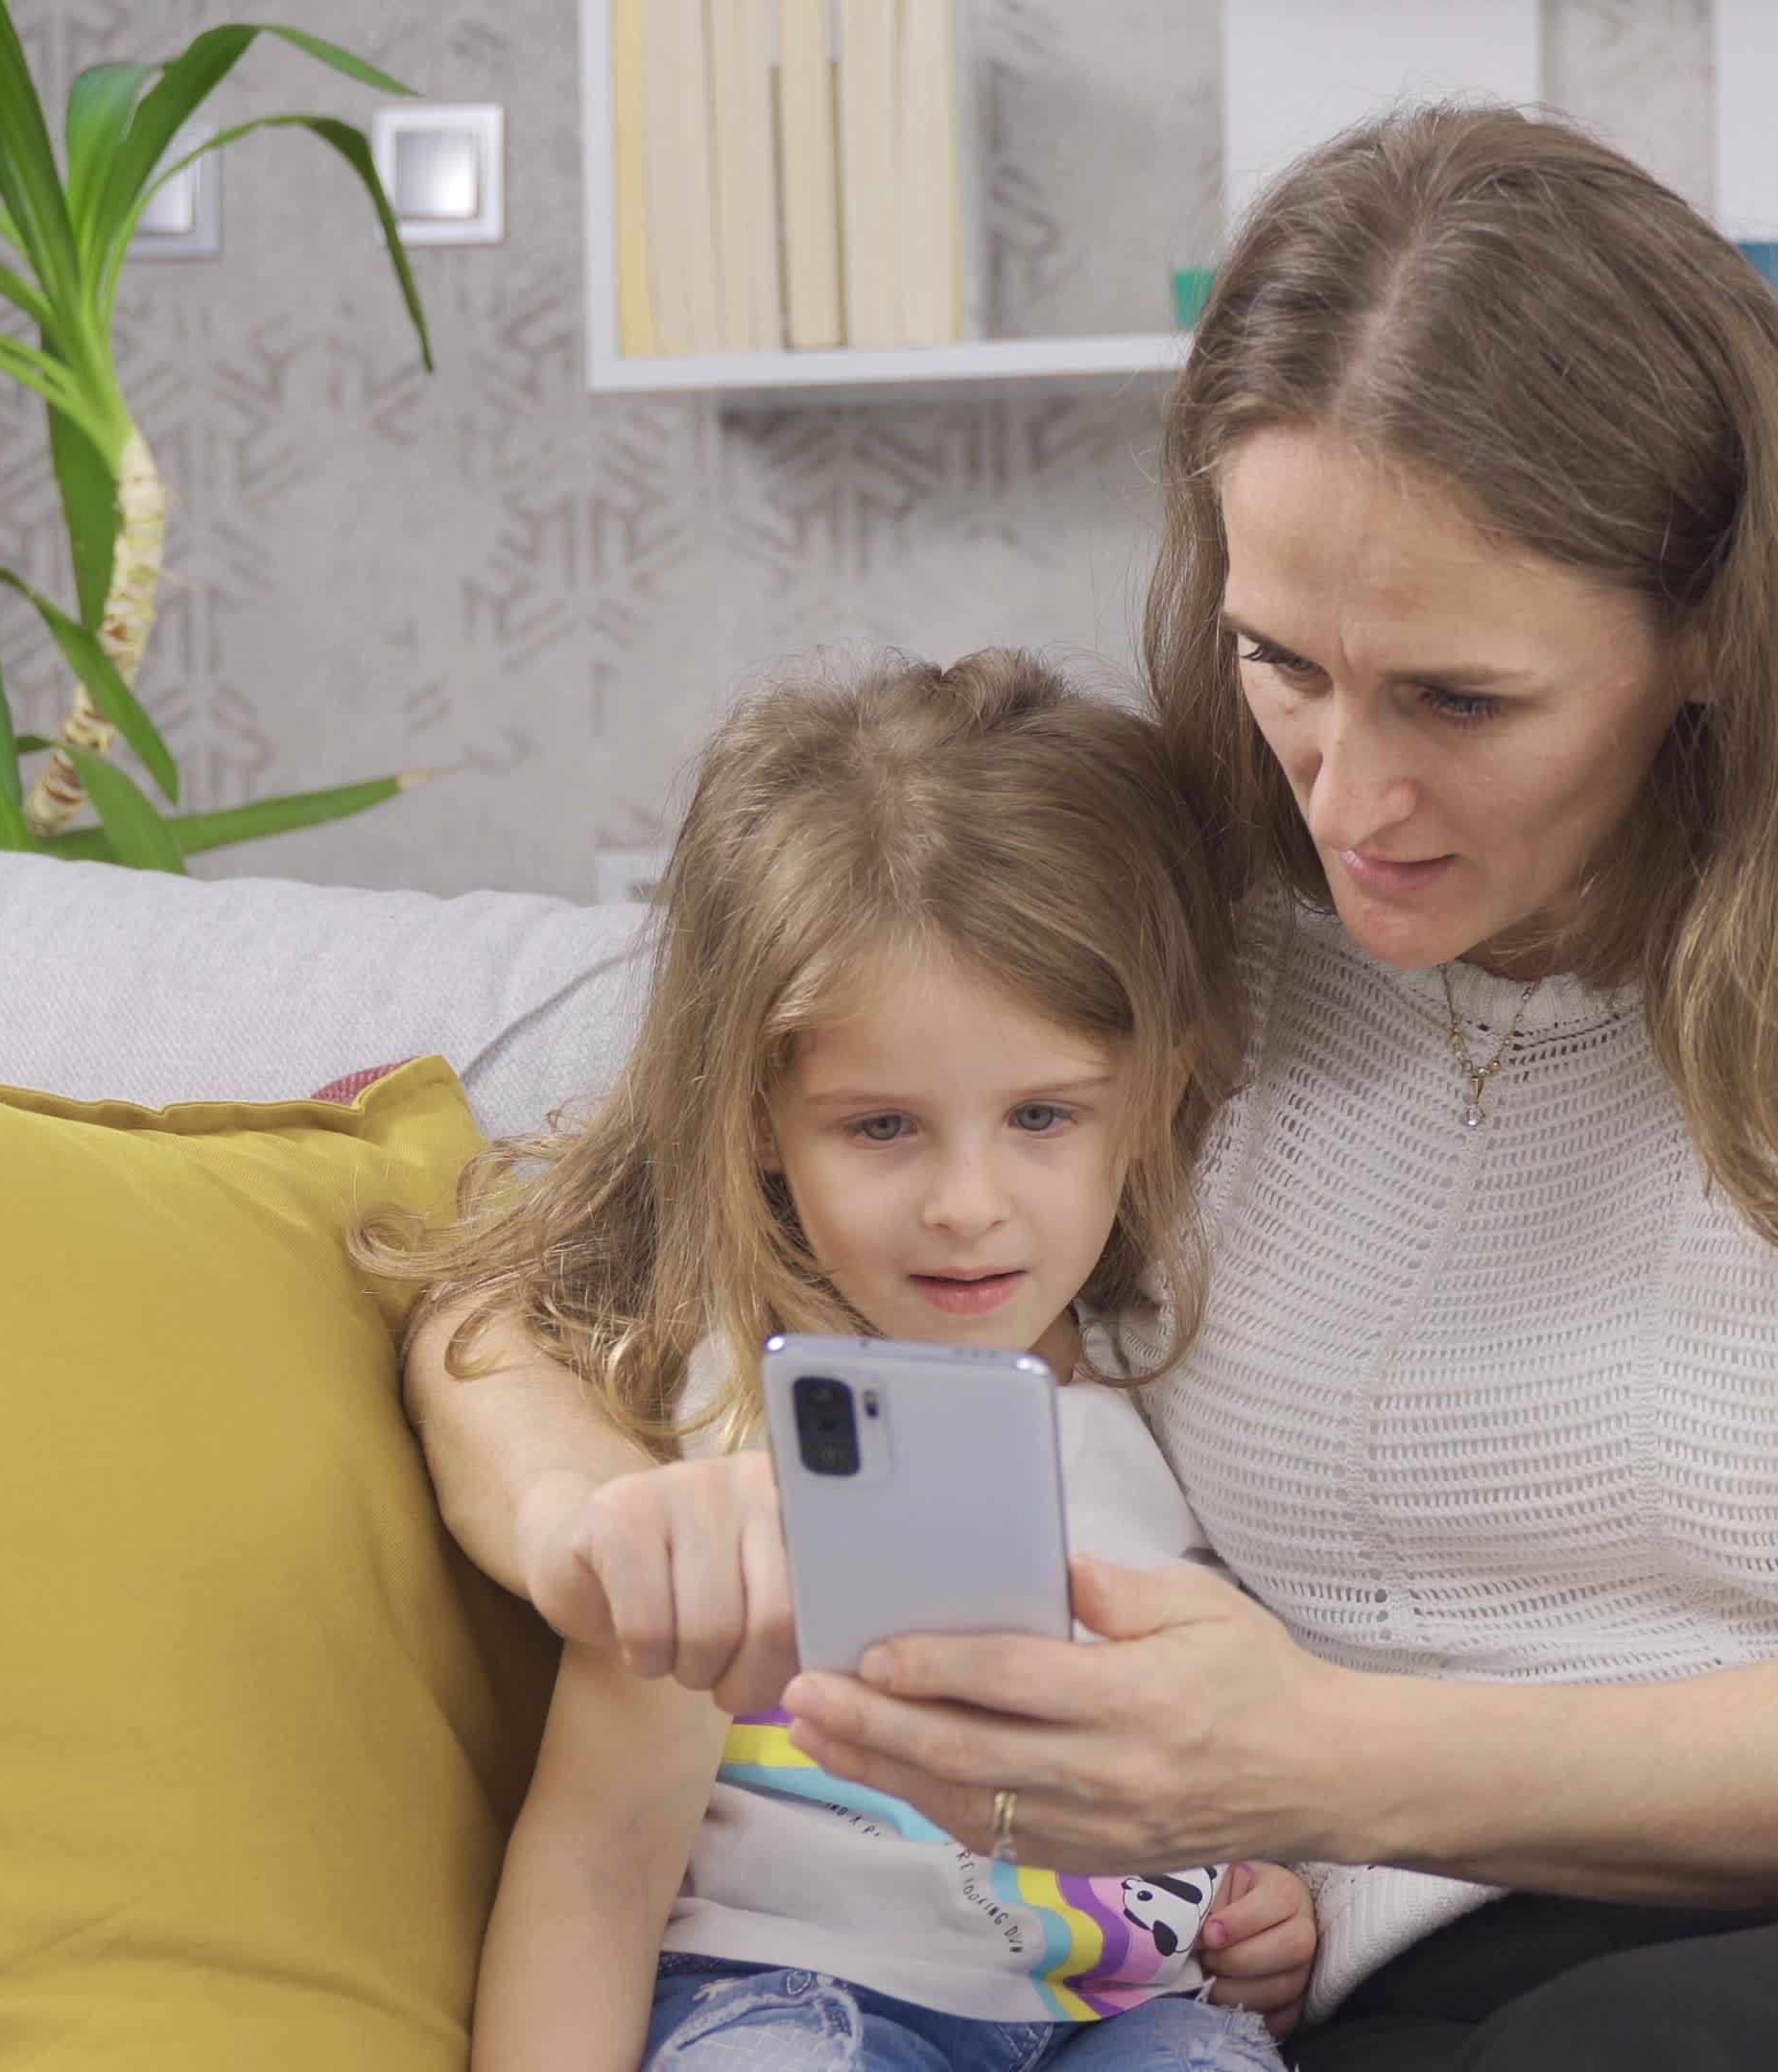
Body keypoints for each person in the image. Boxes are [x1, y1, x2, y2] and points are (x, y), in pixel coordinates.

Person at [404, 105, 1778, 2071]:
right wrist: (603, 1524)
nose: (1349, 801)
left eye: (1460, 699)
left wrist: (1307, 1762)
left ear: (1716, 630)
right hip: (1460, 1969)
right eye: (1282, 659)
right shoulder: (1198, 924)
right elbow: (526, 1273)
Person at [363, 654, 1314, 2070]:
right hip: (795, 2006)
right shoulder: (723, 1426)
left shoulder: (1184, 1400)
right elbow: (596, 1870)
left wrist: (1269, 1902)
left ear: (1160, 1094)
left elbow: (1234, 1757)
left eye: (1044, 1117)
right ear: (756, 1113)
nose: (966, 1204)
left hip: (1121, 2023)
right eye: (881, 1128)